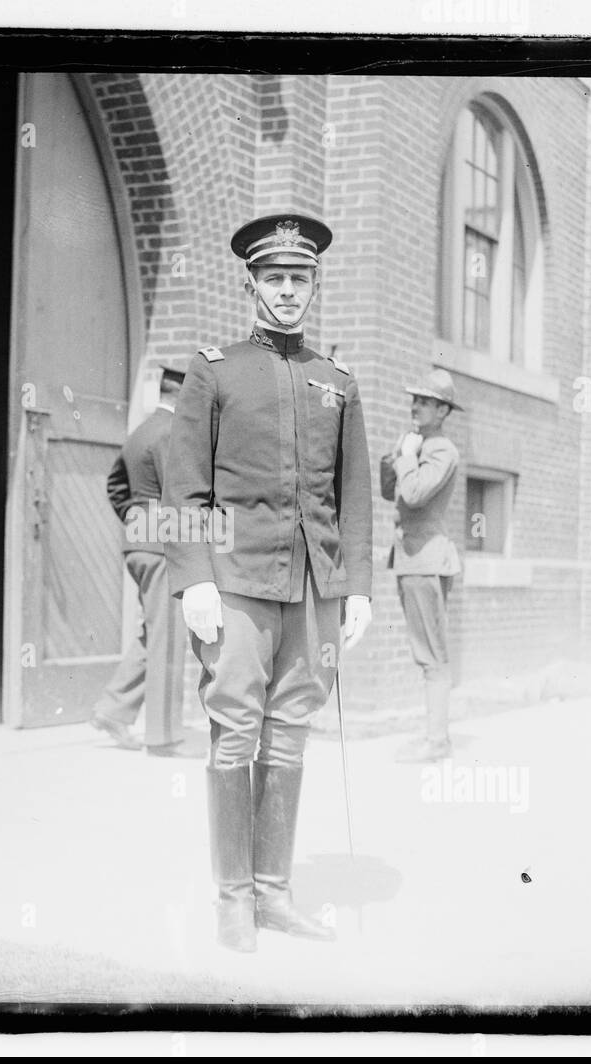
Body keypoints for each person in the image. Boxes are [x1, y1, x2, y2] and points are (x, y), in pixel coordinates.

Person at [162, 213, 373, 953]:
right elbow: (182, 487)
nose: (288, 292)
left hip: (313, 588)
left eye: (300, 279)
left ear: (315, 286)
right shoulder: (214, 370)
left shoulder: (336, 382)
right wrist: (194, 581)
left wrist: (359, 589)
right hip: (237, 581)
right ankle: (232, 900)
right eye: (274, 278)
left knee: (290, 736)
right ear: (250, 283)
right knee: (234, 734)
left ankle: (275, 896)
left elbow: (353, 497)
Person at [89, 367, 201, 758]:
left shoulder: (140, 432)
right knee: (169, 639)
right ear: (183, 397)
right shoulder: (172, 433)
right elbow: (181, 496)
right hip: (163, 548)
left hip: (139, 546)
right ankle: (163, 737)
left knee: (152, 633)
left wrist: (139, 522)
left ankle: (113, 710)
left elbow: (115, 487)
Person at [379, 368, 464, 763]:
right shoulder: (416, 444)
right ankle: (434, 737)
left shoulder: (442, 450)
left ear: (444, 410)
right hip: (410, 559)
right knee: (426, 652)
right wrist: (394, 457)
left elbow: (412, 494)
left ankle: (436, 742)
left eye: (426, 401)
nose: (415, 406)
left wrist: (408, 458)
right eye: (414, 399)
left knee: (432, 655)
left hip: (425, 559)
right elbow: (388, 491)